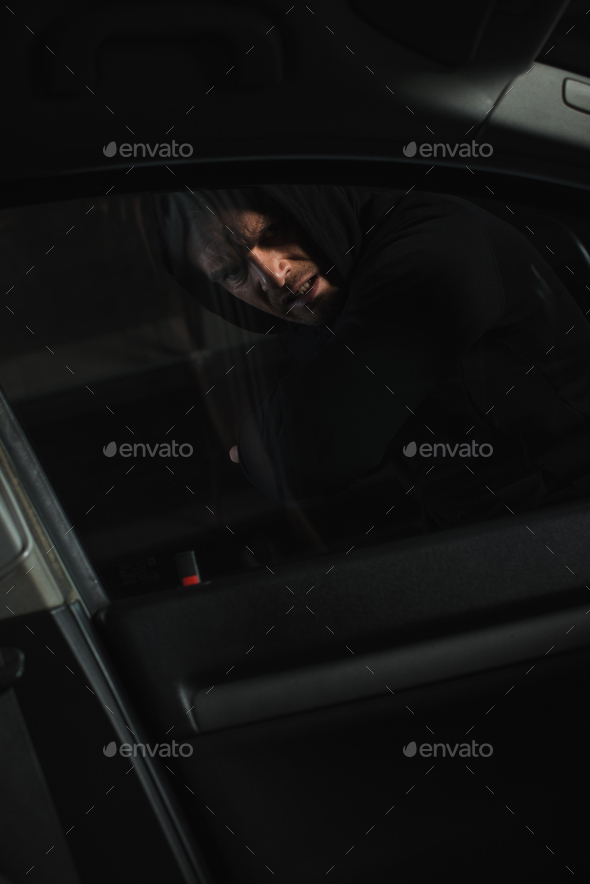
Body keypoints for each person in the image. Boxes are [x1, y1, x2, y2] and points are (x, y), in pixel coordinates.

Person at [150, 185, 590, 531]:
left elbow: (312, 456)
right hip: (494, 538)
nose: (273, 274)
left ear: (306, 199)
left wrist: (254, 446)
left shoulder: (433, 245)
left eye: (273, 231)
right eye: (232, 272)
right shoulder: (316, 316)